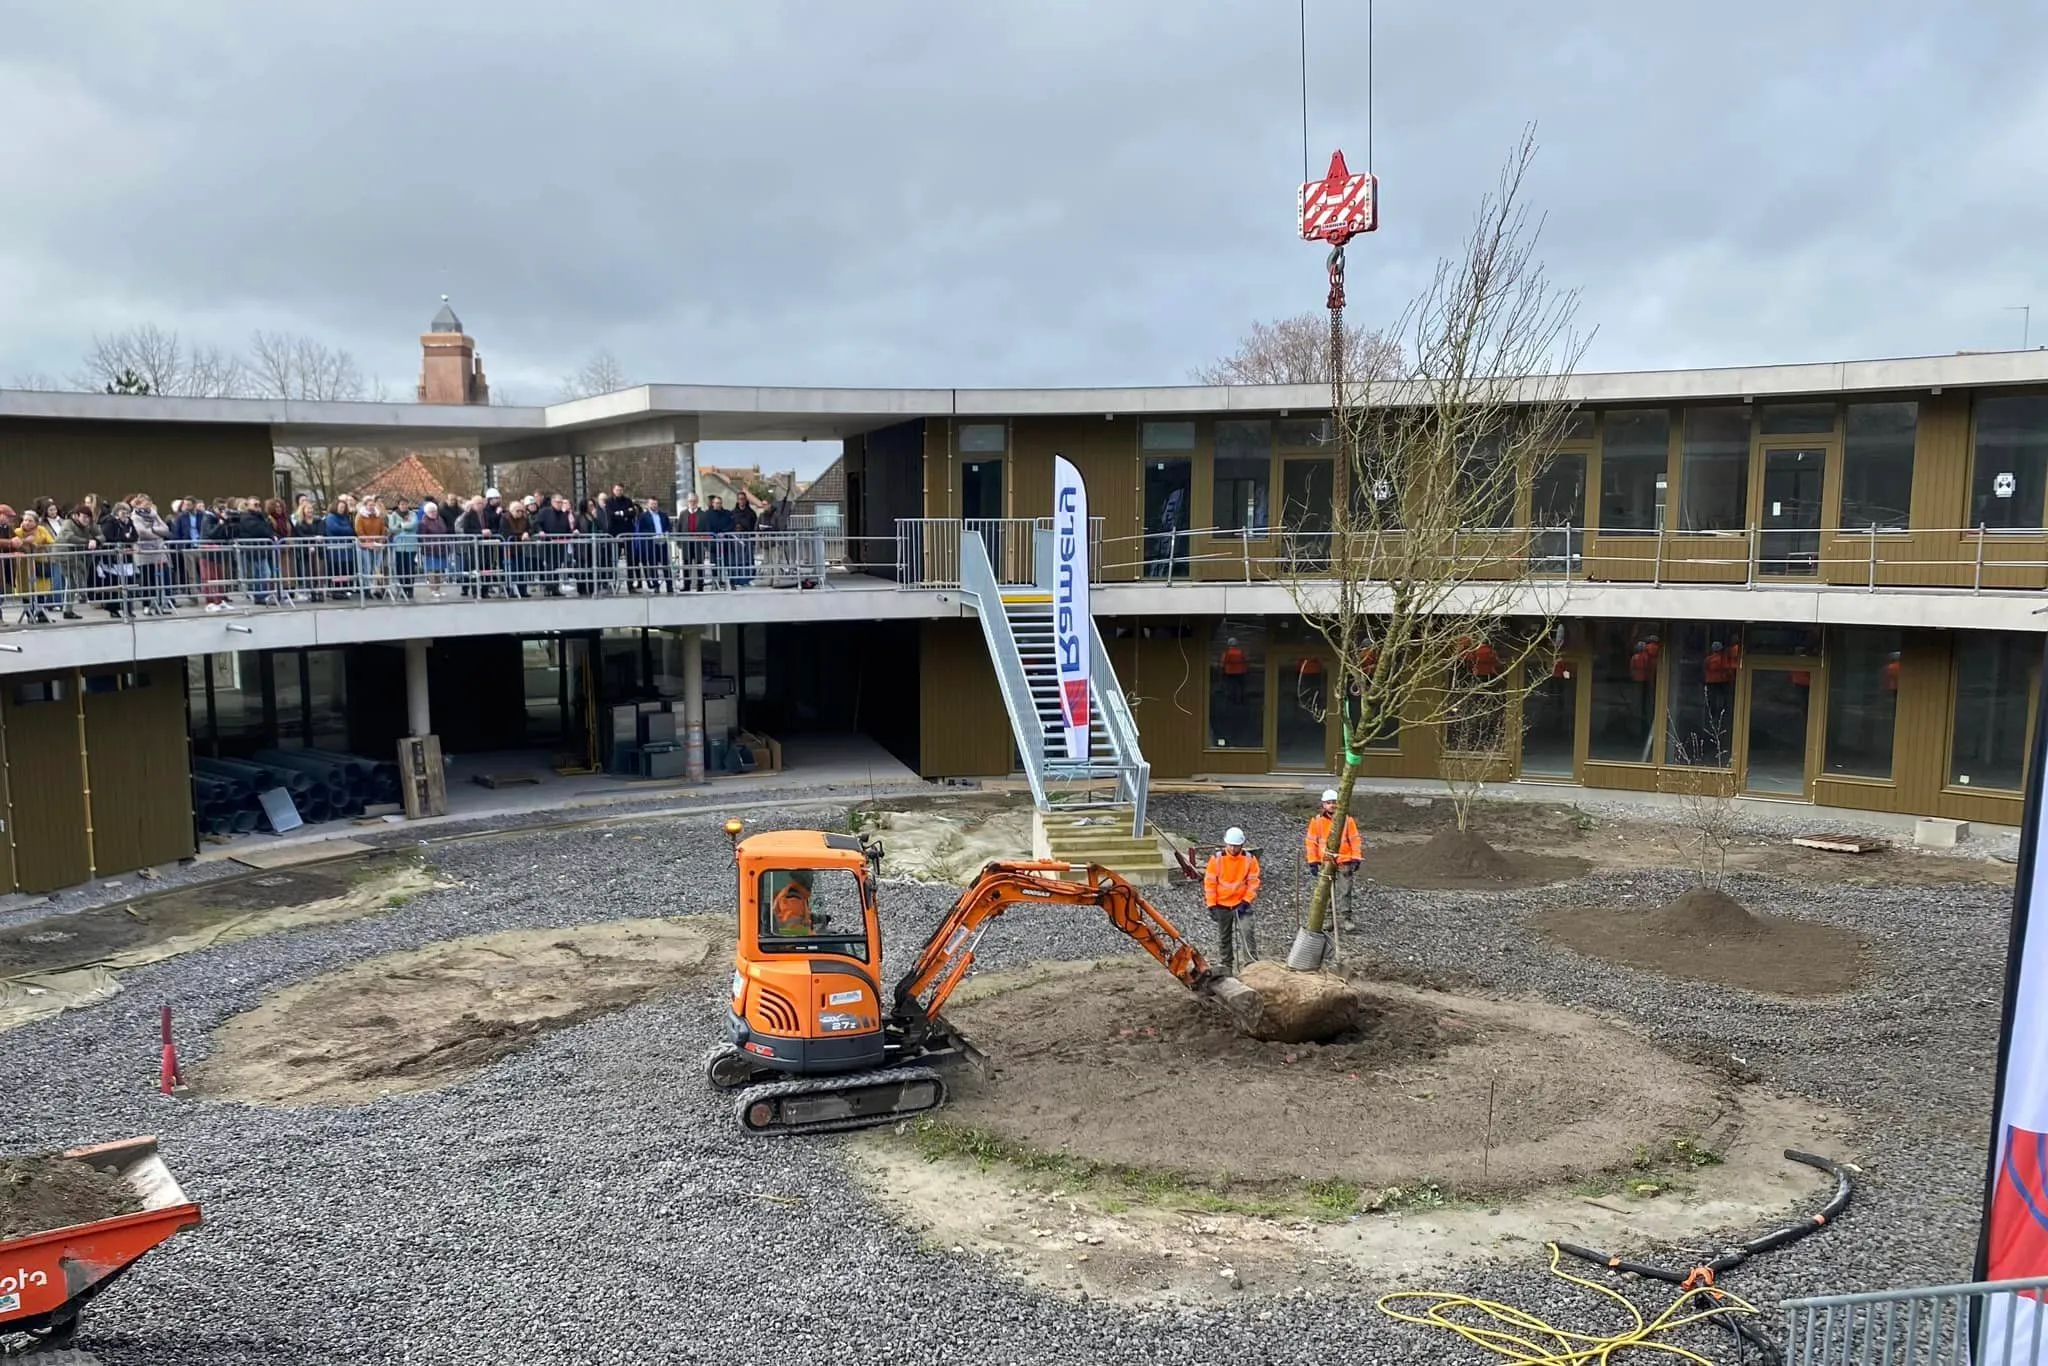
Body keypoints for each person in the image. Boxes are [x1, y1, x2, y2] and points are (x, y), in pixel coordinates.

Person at [1203, 827, 1262, 976]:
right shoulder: (1216, 859)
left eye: (1236, 845)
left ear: (1242, 845)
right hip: (1222, 905)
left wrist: (1246, 901)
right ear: (1225, 843)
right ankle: (1226, 967)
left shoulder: (1249, 859)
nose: (1232, 848)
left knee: (1247, 933)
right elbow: (1210, 883)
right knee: (1224, 937)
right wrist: (1211, 905)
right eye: (1230, 845)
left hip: (1242, 904)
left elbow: (1253, 883)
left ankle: (1252, 966)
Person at [1304, 789, 1363, 927]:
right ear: (1323, 804)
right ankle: (1329, 920)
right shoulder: (1317, 822)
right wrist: (1312, 861)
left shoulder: (1347, 821)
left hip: (1344, 861)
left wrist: (1356, 857)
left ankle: (1345, 919)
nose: (1332, 805)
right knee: (1326, 892)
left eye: (1334, 802)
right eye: (1329, 803)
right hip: (1326, 862)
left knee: (1345, 890)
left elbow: (1355, 840)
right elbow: (1311, 842)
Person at [769, 869, 815, 936]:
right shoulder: (793, 899)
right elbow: (792, 930)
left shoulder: (796, 895)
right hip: (791, 943)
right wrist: (816, 934)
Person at [1220, 636, 1249, 704]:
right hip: (1240, 672)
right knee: (1241, 687)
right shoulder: (1241, 652)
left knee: (1232, 687)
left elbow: (1223, 662)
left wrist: (1222, 670)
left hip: (1230, 672)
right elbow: (1245, 661)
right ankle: (1242, 699)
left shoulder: (1227, 653)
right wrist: (1246, 670)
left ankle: (1233, 700)